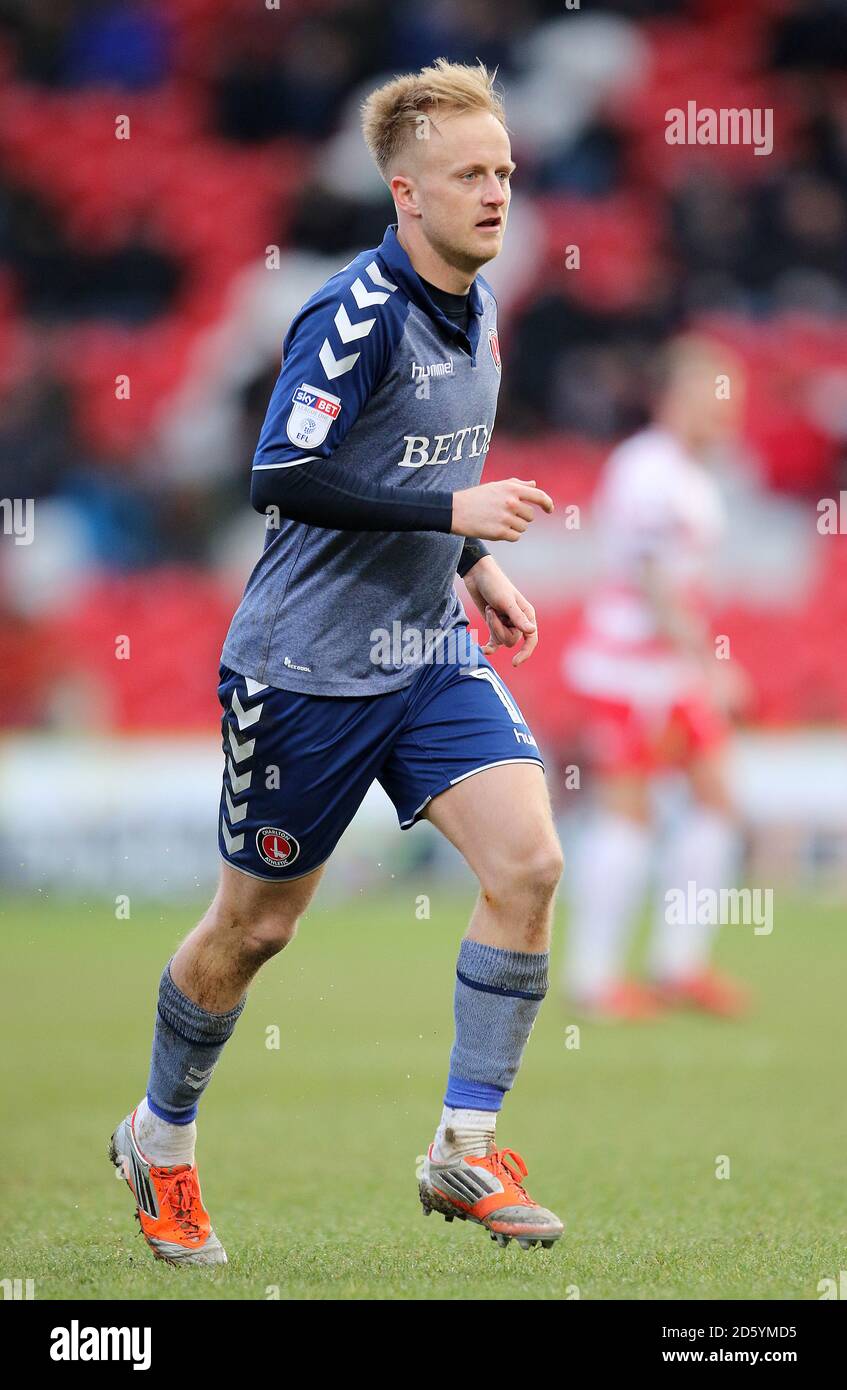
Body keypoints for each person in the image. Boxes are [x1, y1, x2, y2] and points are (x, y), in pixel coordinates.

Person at [110, 60, 566, 1265]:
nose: (497, 193)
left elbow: (413, 469)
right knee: (253, 931)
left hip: (425, 654)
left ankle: (463, 1145)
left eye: (506, 172)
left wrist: (473, 571)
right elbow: (283, 478)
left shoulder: (482, 309)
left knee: (528, 862)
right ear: (404, 191)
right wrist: (456, 517)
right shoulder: (350, 311)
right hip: (305, 671)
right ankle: (160, 1140)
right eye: (470, 174)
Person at [562, 336, 752, 1022]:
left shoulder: (688, 472)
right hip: (628, 670)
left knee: (714, 803)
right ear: (674, 395)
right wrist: (711, 666)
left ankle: (678, 965)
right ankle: (593, 979)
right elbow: (653, 583)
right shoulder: (648, 470)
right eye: (715, 391)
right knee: (627, 815)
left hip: (666, 670)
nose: (728, 407)